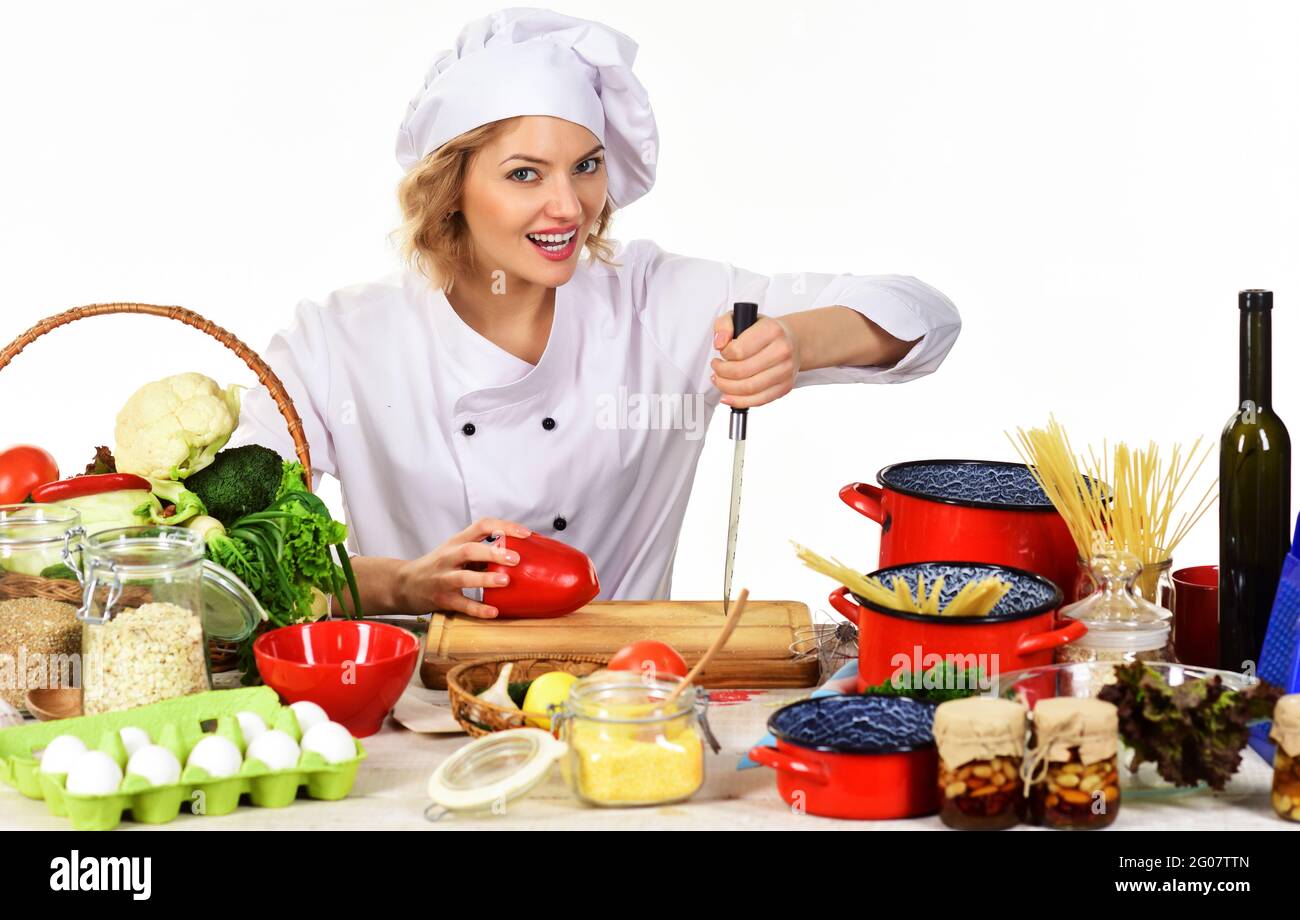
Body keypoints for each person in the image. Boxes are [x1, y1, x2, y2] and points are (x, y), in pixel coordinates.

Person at [232, 7, 961, 618]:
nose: (568, 206)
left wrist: (797, 340)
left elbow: (923, 318)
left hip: (630, 698)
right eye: (525, 174)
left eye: (586, 165)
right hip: (409, 714)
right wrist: (404, 582)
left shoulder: (658, 303)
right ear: (450, 187)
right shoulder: (339, 343)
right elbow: (235, 553)